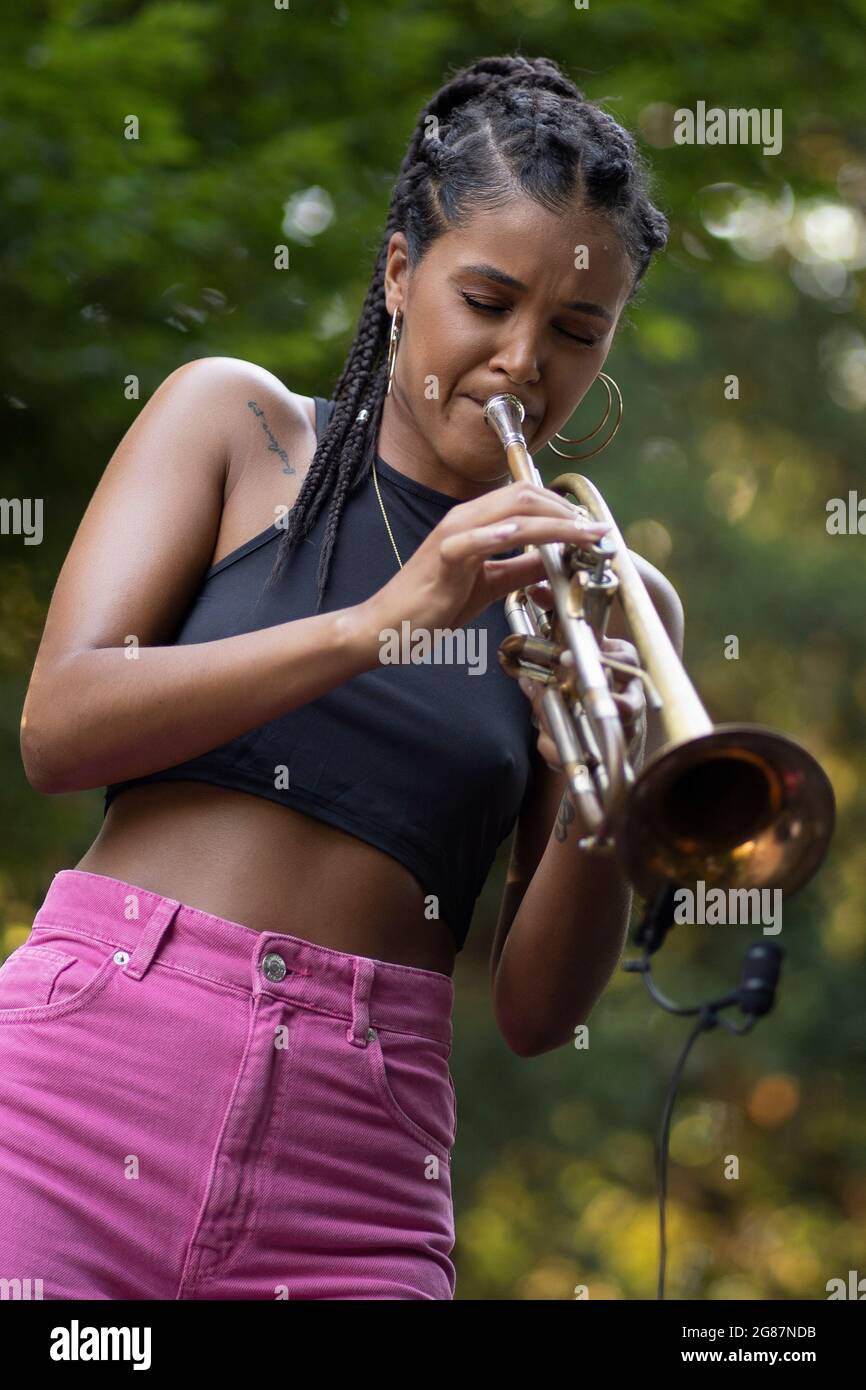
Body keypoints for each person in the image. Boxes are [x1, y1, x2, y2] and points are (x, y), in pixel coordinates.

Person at [2, 53, 683, 1300]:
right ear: (394, 273)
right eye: (486, 300)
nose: (523, 360)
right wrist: (382, 620)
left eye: (576, 331)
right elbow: (60, 727)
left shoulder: (608, 601)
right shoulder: (239, 428)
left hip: (360, 1163)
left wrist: (608, 793)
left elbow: (534, 1014)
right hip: (84, 1076)